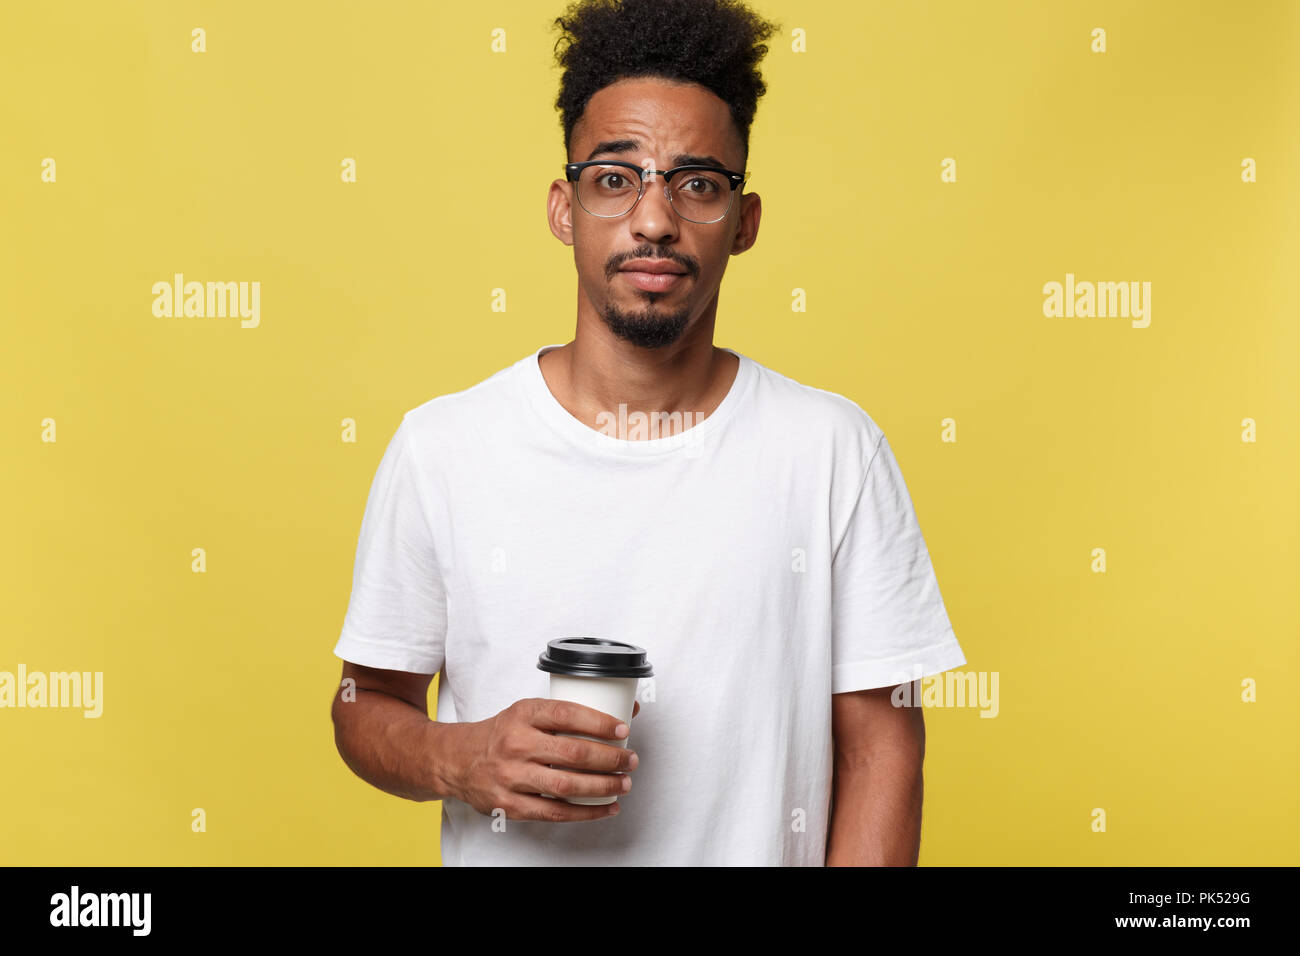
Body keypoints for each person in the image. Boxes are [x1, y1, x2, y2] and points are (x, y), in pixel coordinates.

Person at [330, 0, 966, 866]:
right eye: (616, 177)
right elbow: (363, 701)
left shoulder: (831, 452)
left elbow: (881, 744)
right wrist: (460, 756)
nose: (656, 219)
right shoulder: (443, 446)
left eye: (698, 182)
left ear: (744, 223)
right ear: (565, 208)